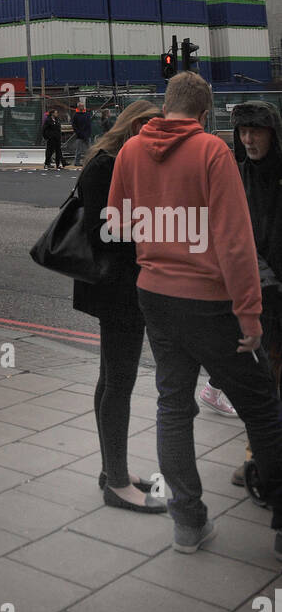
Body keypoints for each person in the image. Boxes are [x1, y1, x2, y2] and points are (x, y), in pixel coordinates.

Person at [107, 72, 282, 558]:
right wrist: (250, 314)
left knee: (173, 406)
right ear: (204, 115)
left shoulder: (130, 151)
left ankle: (187, 523)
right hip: (210, 302)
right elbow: (234, 239)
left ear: (166, 107)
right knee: (263, 407)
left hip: (155, 296)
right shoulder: (211, 152)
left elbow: (117, 222)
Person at [72, 100, 167, 512]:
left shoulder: (120, 161)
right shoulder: (107, 165)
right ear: (136, 125)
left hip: (119, 286)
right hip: (117, 290)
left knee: (110, 377)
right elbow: (102, 231)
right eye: (151, 130)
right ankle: (116, 483)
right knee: (119, 383)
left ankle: (113, 468)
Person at [229, 102, 282, 487]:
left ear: (272, 134)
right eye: (243, 131)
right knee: (259, 381)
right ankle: (257, 457)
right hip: (256, 292)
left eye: (256, 131)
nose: (248, 139)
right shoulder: (238, 174)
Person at [71, 103, 92, 168]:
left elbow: (89, 125)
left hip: (86, 135)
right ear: (78, 107)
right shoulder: (76, 115)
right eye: (81, 106)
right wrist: (79, 133)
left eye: (83, 106)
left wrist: (88, 133)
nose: (83, 107)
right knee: (79, 150)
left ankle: (88, 161)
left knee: (89, 149)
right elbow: (74, 126)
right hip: (79, 135)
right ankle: (77, 162)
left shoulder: (87, 114)